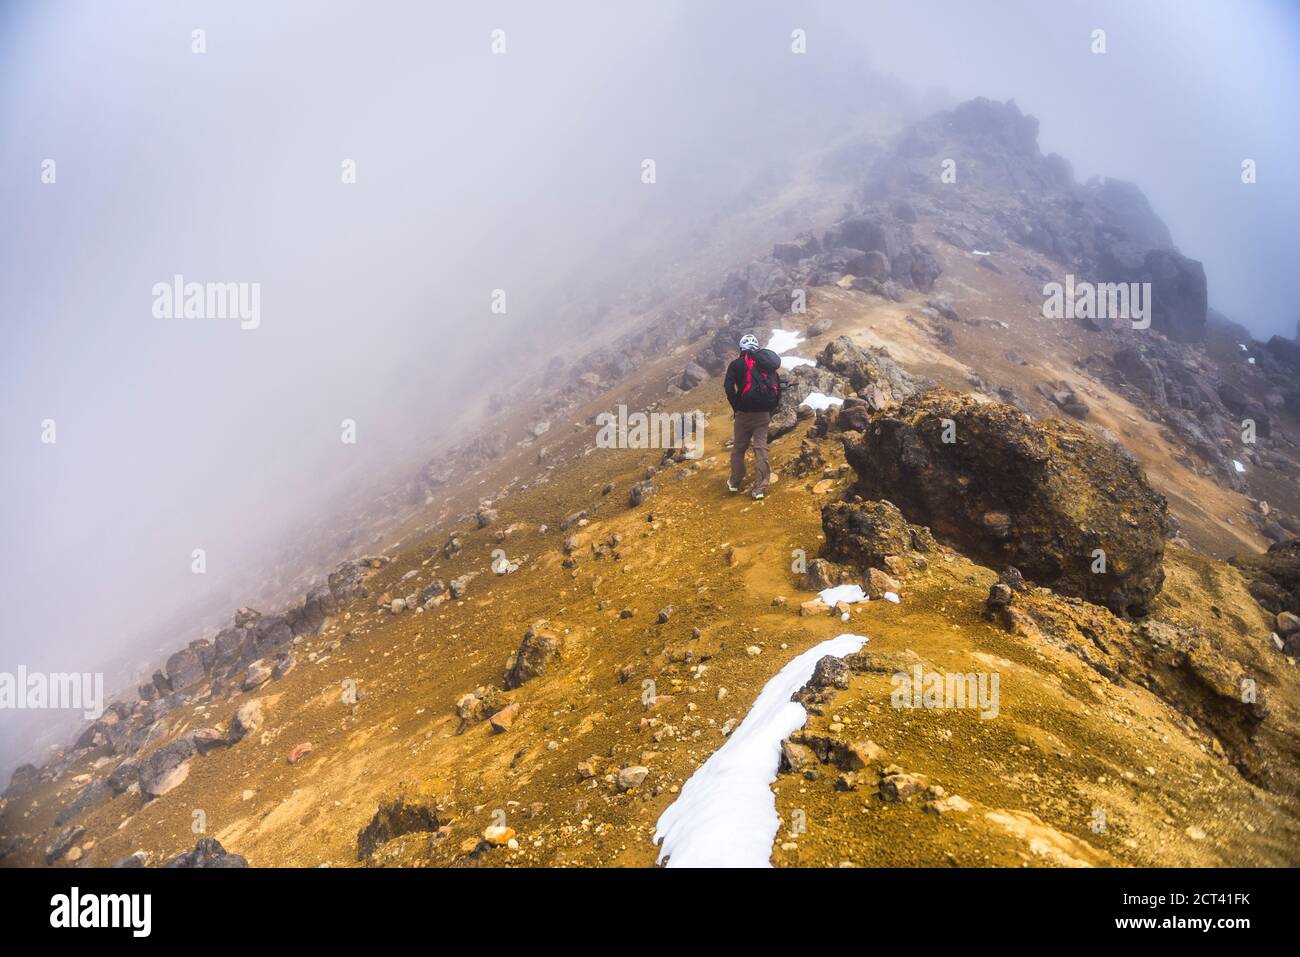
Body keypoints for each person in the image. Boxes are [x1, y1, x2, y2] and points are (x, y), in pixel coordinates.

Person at [723, 332, 781, 499]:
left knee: (739, 448)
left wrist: (737, 407)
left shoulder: (736, 364)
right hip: (763, 414)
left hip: (743, 414)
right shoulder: (768, 366)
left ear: (741, 347)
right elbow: (778, 389)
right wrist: (769, 409)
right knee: (761, 448)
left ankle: (734, 482)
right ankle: (760, 489)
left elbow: (728, 388)